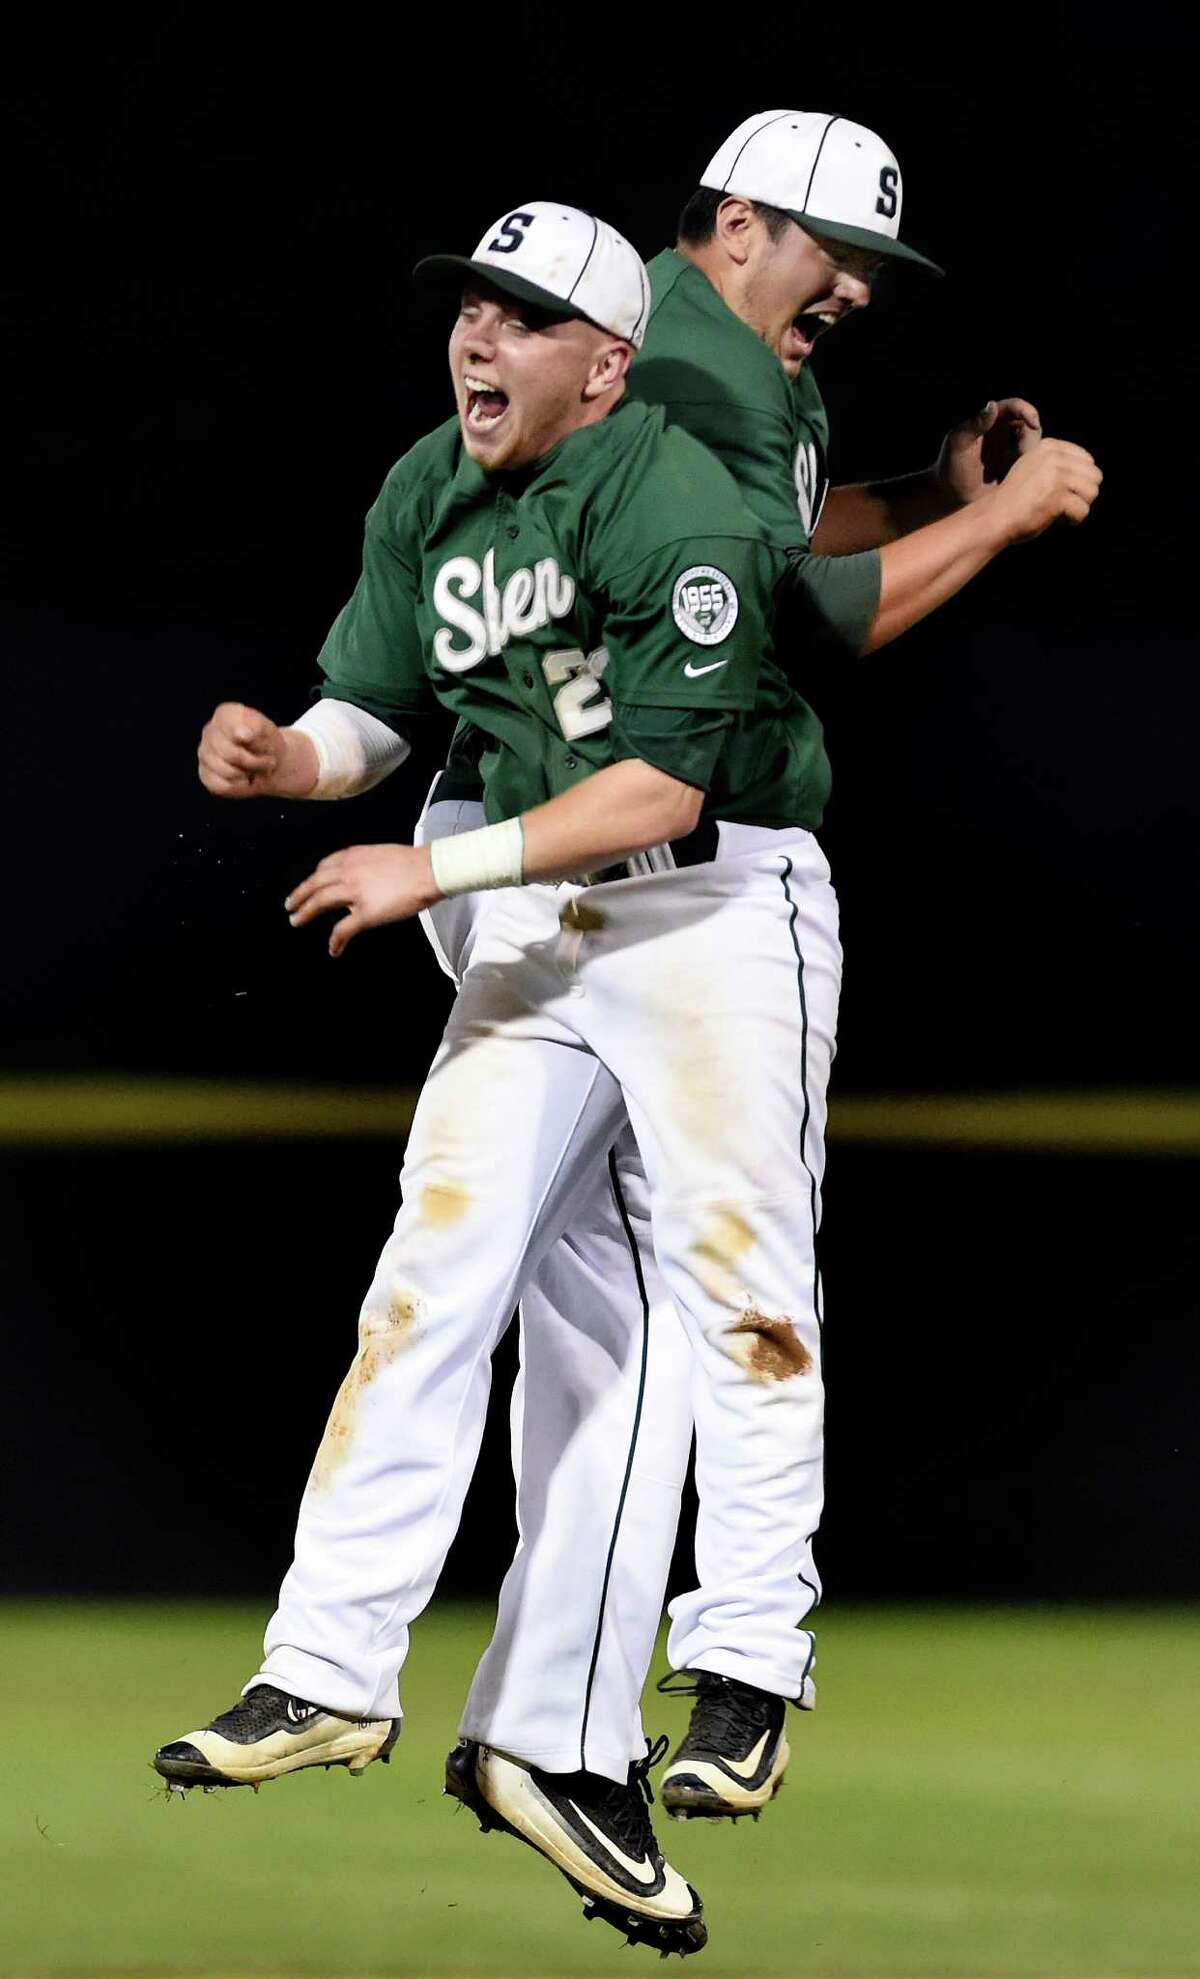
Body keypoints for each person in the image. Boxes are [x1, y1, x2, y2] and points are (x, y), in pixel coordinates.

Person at [414, 111, 1102, 1833]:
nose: (855, 287)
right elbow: (814, 624)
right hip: (649, 868)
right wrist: (1008, 520)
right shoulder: (690, 369)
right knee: (736, 1280)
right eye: (826, 248)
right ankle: (740, 1675)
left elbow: (783, 542)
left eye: (872, 262)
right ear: (732, 223)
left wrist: (921, 494)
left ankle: (529, 1719)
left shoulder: (703, 351)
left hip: (535, 841)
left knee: (587, 1316)